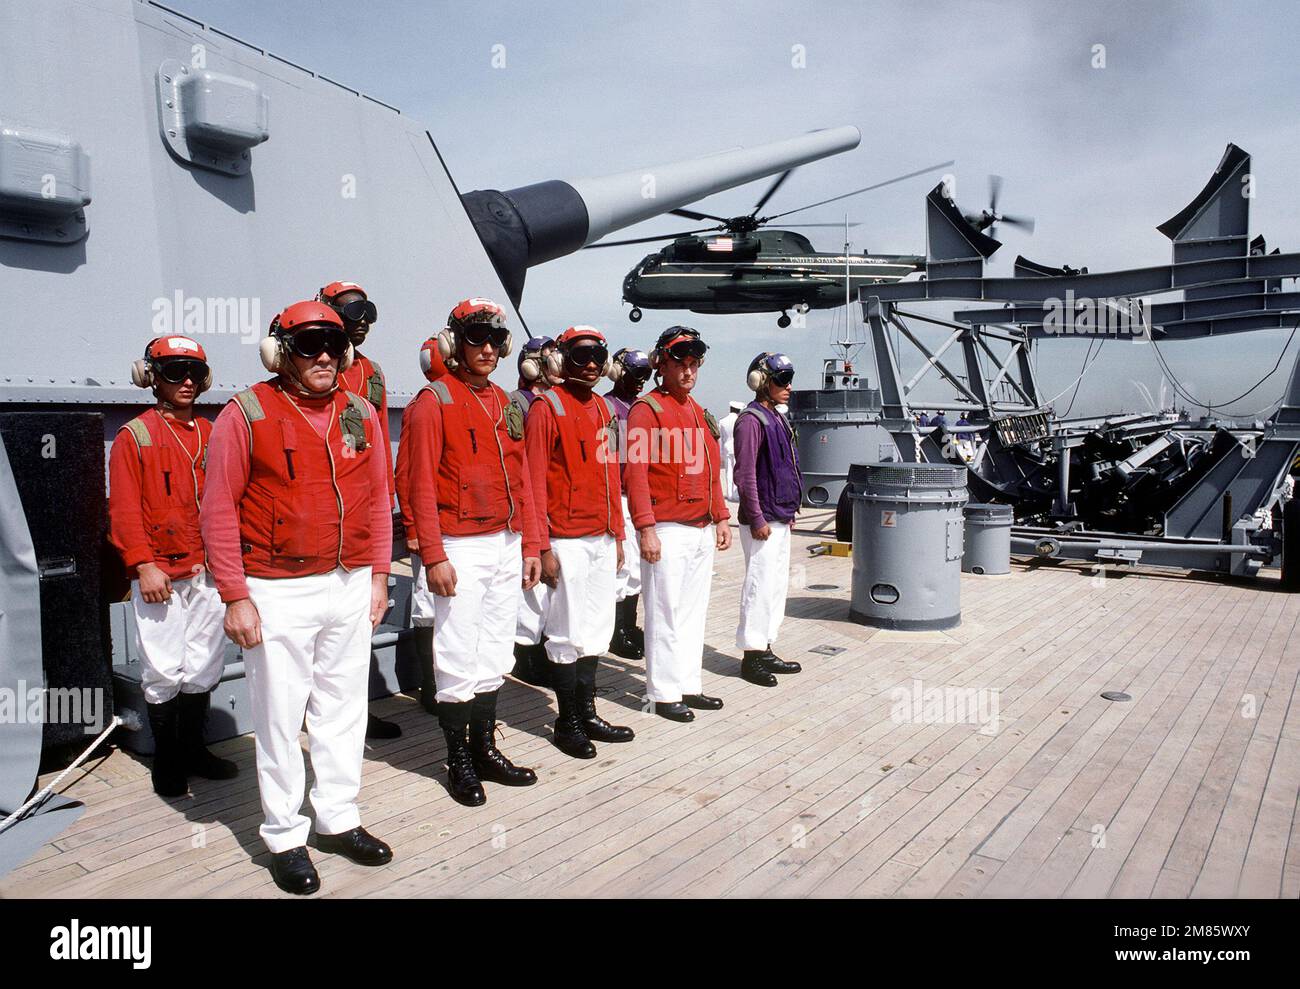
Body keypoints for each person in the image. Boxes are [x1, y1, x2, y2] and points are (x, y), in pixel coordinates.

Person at [201, 301, 394, 895]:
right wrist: (235, 595)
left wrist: (380, 575)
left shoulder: (360, 411)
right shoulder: (247, 412)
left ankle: (338, 817)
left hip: (348, 582)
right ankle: (285, 834)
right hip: (275, 588)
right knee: (280, 719)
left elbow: (378, 497)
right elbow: (217, 510)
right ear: (281, 351)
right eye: (309, 345)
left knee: (343, 710)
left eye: (333, 345)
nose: (324, 357)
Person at [402, 298, 544, 807]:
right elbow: (417, 484)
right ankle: (456, 759)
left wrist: (529, 542)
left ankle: (484, 748)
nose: (486, 348)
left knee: (494, 651)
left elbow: (523, 479)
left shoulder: (506, 402)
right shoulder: (432, 401)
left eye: (494, 340)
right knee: (457, 654)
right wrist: (435, 556)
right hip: (459, 545)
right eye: (475, 338)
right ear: (454, 343)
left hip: (506, 544)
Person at [109, 335, 236, 797]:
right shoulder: (134, 437)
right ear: (150, 377)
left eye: (193, 373)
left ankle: (193, 748)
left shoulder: (212, 431)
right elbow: (123, 510)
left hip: (209, 570)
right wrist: (143, 564)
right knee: (163, 668)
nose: (184, 381)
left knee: (204, 663)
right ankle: (167, 758)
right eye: (172, 371)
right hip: (161, 573)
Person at [526, 326, 634, 758]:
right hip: (565, 540)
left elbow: (612, 476)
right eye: (580, 355)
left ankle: (586, 712)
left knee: (595, 630)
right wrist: (541, 546)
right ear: (560, 360)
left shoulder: (604, 411)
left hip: (602, 539)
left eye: (597, 356)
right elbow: (531, 482)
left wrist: (619, 534)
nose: (590, 364)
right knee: (566, 633)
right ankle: (566, 721)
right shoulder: (545, 408)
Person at [625, 326, 731, 723]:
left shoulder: (699, 412)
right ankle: (662, 692)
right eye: (679, 364)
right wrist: (645, 527)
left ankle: (688, 684)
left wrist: (721, 517)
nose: (688, 372)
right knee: (664, 613)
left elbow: (711, 470)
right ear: (661, 365)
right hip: (666, 528)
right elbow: (634, 473)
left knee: (692, 612)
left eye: (693, 365)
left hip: (700, 528)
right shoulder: (645, 410)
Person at [317, 281, 401, 741]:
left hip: (362, 505)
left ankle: (357, 714)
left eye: (366, 311)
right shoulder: (311, 362)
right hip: (323, 506)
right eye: (352, 310)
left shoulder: (371, 373)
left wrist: (385, 496)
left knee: (357, 622)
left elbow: (379, 439)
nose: (361, 319)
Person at [733, 353, 805, 687]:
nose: (788, 386)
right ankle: (751, 657)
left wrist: (790, 510)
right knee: (759, 587)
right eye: (781, 379)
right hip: (762, 521)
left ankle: (766, 646)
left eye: (789, 378)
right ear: (762, 381)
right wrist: (758, 516)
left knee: (776, 587)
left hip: (780, 517)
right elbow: (744, 475)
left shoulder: (776, 417)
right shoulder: (751, 420)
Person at [395, 335, 449, 714]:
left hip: (457, 528)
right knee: (427, 606)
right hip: (434, 528)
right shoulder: (425, 405)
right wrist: (414, 528)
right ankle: (429, 686)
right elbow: (406, 473)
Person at [509, 335, 560, 687]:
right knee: (530, 589)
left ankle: (540, 649)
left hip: (551, 503)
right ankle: (525, 658)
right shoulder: (519, 403)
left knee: (547, 590)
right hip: (528, 500)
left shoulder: (553, 402)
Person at [603, 347, 652, 659]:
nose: (640, 382)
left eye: (644, 376)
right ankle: (616, 631)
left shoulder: (643, 408)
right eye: (635, 375)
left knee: (637, 568)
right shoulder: (608, 407)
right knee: (622, 568)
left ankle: (629, 625)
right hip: (619, 494)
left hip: (642, 494)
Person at [718, 400, 746, 503]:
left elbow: (720, 438)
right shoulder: (740, 420)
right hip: (737, 447)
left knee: (728, 471)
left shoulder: (722, 421)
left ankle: (729, 494)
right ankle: (736, 494)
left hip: (726, 447)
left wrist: (720, 452)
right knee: (737, 471)